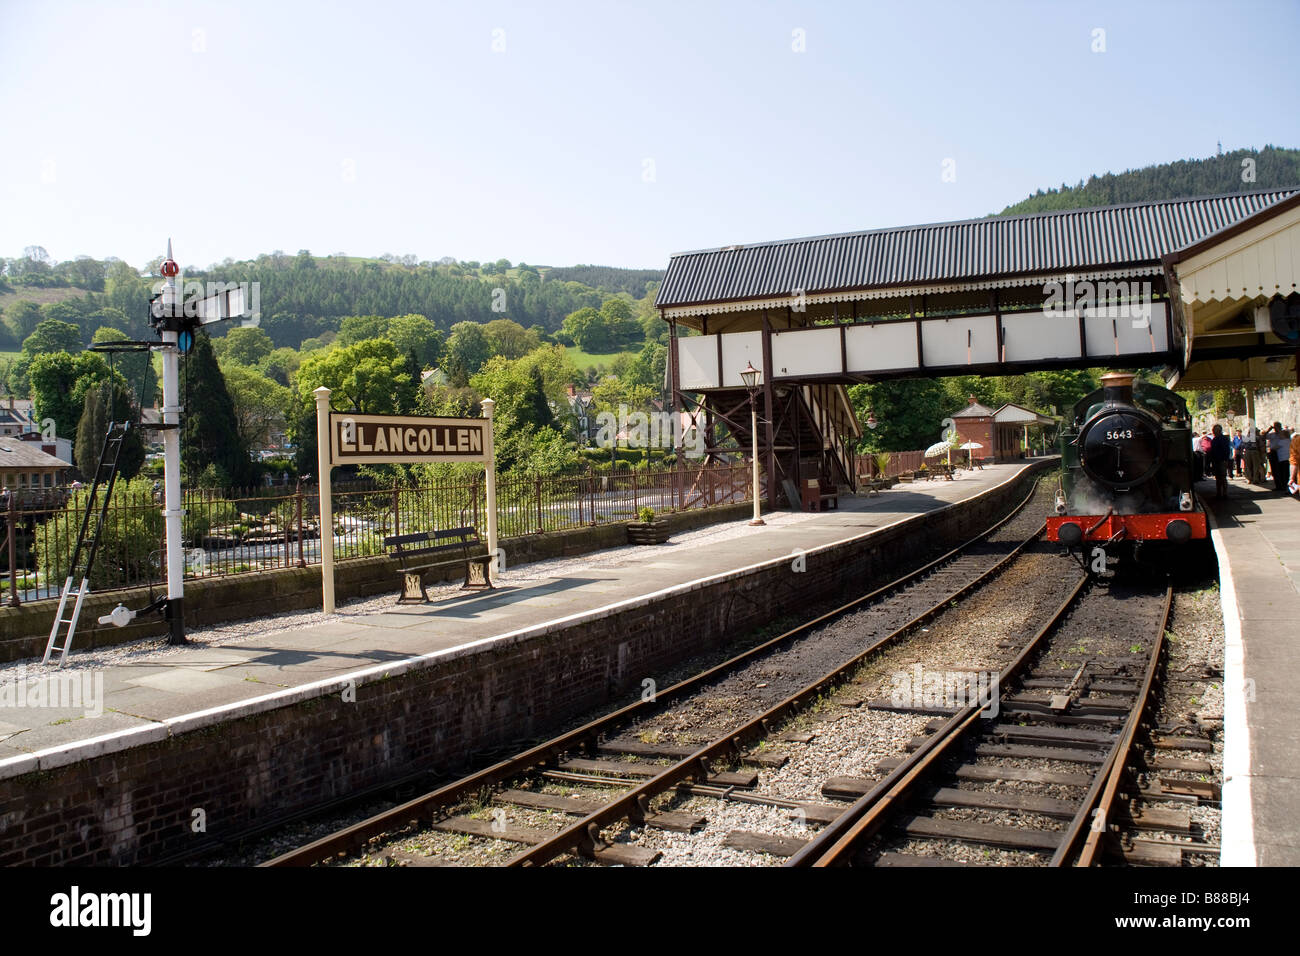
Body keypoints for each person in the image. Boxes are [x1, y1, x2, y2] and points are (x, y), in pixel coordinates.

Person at [1209, 424, 1232, 499]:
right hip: (1216, 461)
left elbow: (1226, 450)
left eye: (1214, 430)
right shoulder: (1215, 439)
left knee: (1222, 477)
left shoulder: (1222, 439)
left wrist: (1225, 459)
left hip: (1221, 461)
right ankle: (1219, 493)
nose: (1213, 431)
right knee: (1218, 477)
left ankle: (1224, 493)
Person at [1266, 422, 1290, 493]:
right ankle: (1281, 486)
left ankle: (1283, 486)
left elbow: (1274, 448)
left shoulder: (1282, 440)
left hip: (1281, 457)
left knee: (1282, 472)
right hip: (1280, 456)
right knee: (1278, 472)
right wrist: (1268, 430)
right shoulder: (1285, 439)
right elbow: (1264, 436)